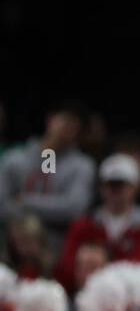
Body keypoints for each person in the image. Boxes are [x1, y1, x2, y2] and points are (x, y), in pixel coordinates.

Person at [56, 153, 140, 289]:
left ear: (136, 187)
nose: (114, 191)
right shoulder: (83, 225)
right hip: (84, 292)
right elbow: (67, 265)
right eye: (110, 184)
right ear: (101, 187)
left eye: (121, 185)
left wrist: (97, 267)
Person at [0, 101, 96, 245]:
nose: (67, 129)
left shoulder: (82, 165)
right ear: (50, 120)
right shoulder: (14, 158)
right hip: (12, 245)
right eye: (64, 121)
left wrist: (25, 201)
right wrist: (29, 224)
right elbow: (2, 204)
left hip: (55, 248)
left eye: (74, 126)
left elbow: (74, 209)